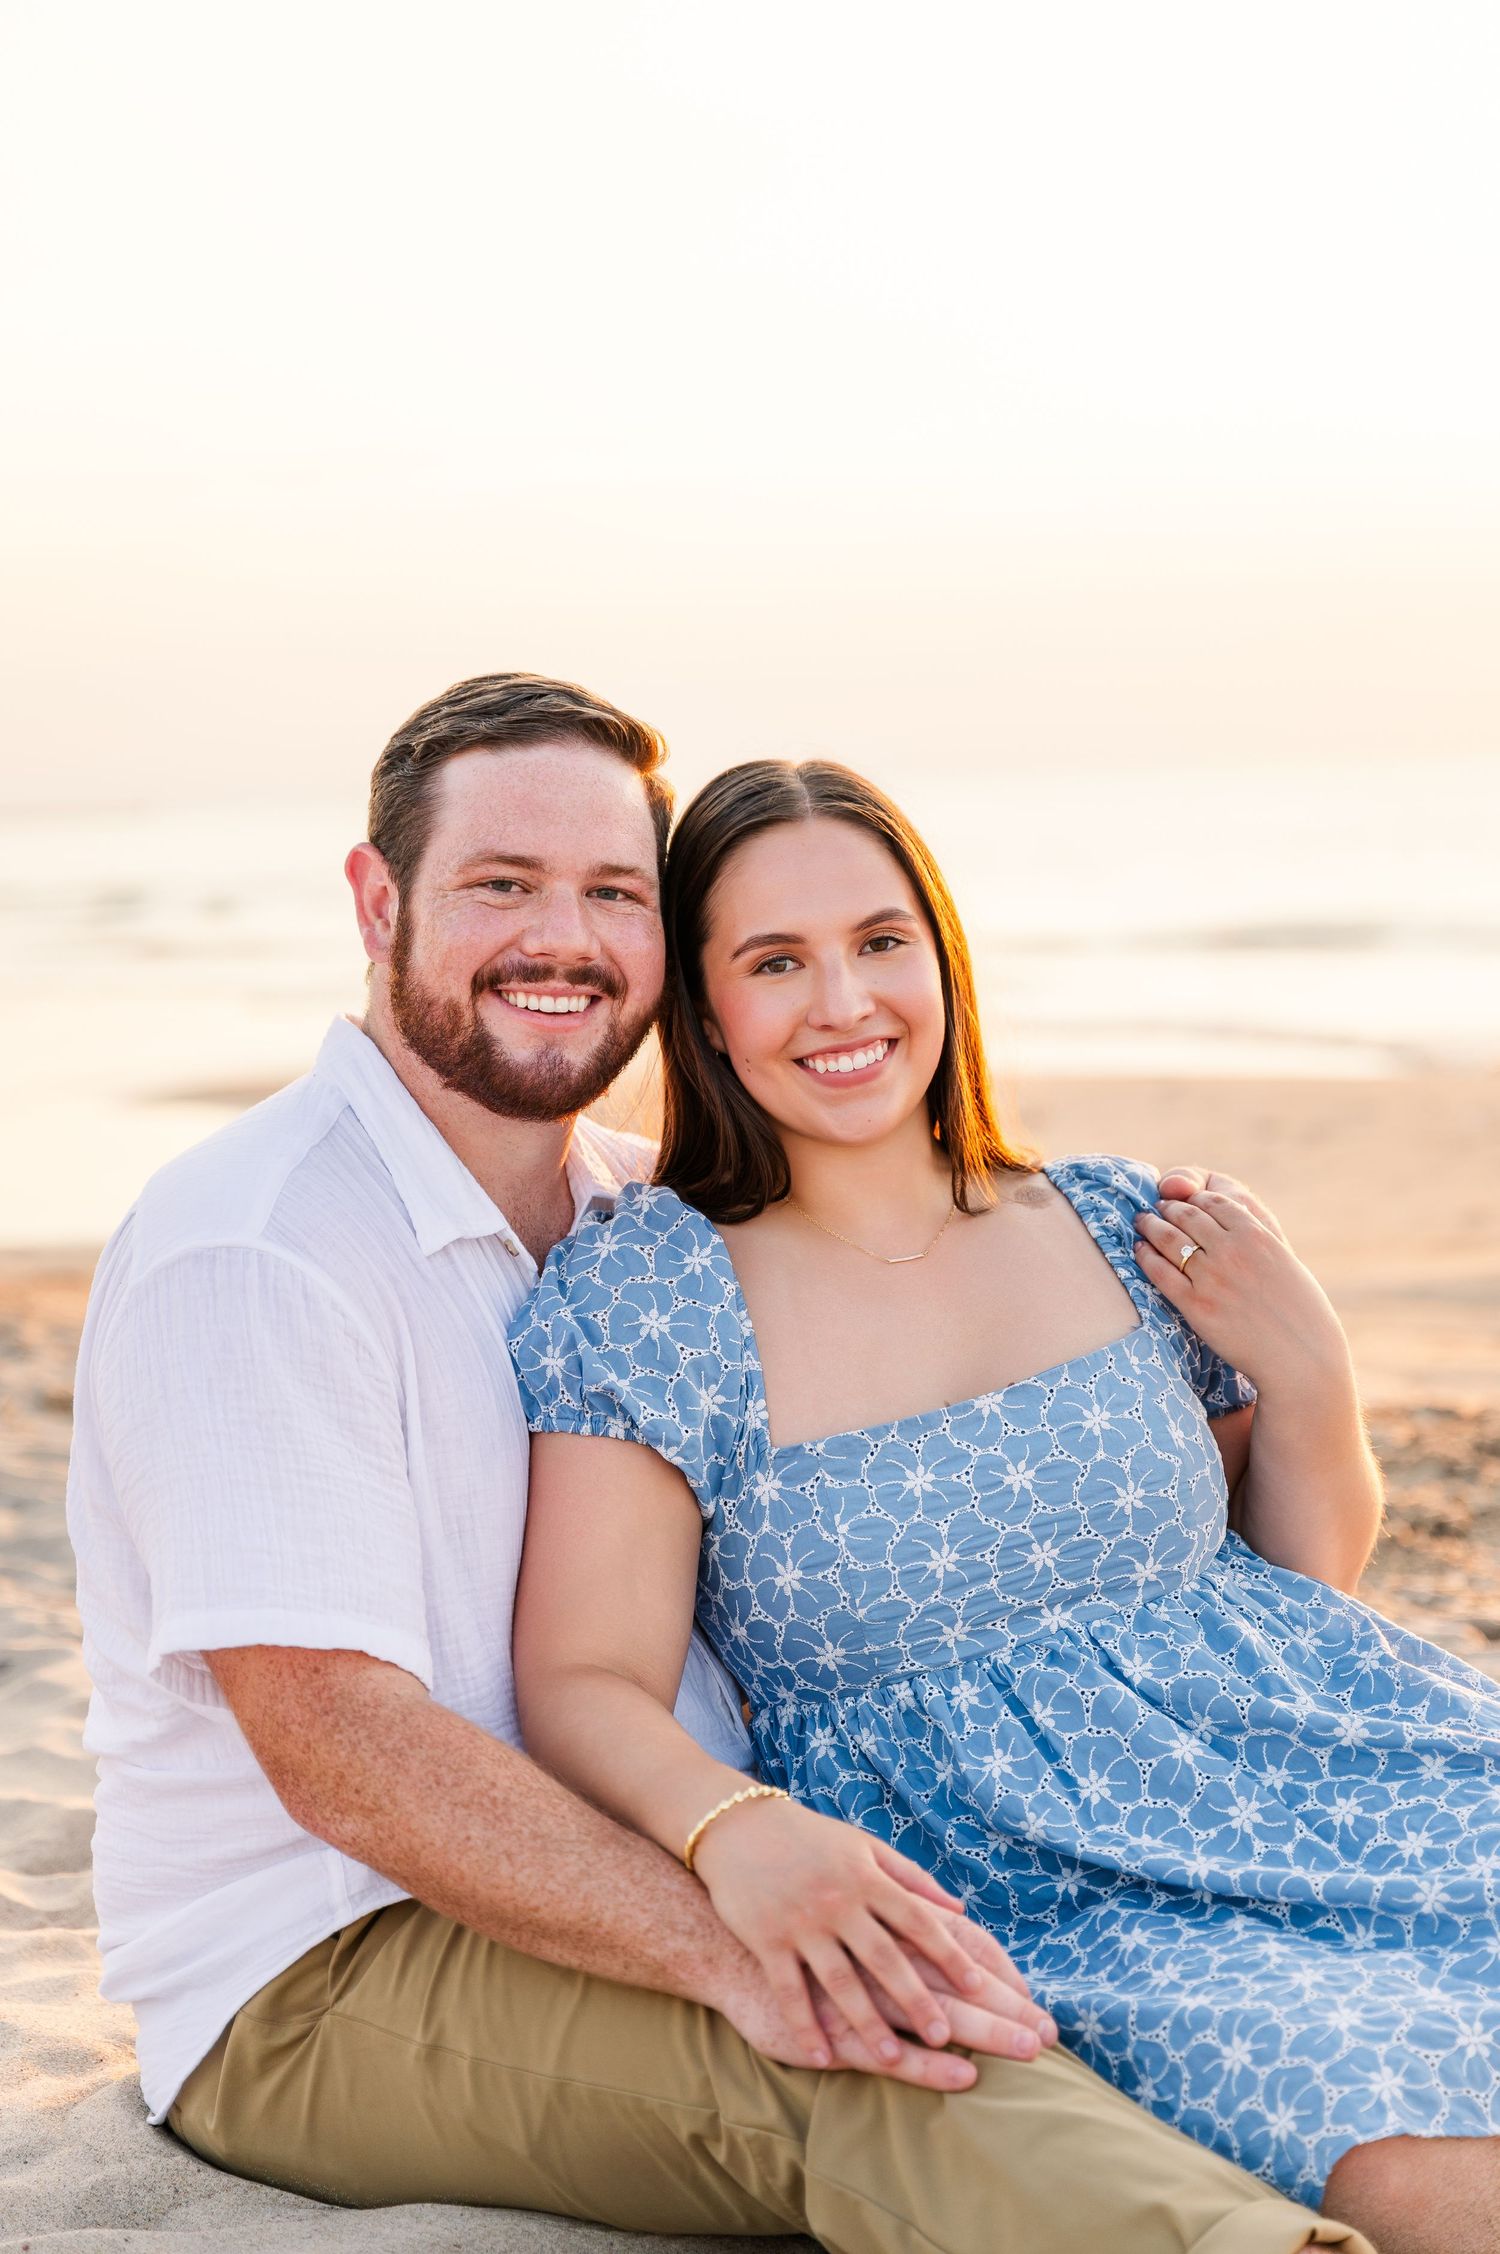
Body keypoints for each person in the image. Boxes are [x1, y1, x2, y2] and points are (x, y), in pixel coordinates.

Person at [64, 674, 1359, 2254]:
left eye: (614, 891)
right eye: (501, 885)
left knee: (987, 1999)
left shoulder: (632, 1219)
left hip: (643, 1856)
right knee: (862, 2052)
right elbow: (343, 1749)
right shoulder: (259, 1246)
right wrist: (726, 1920)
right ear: (376, 898)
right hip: (332, 1961)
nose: (565, 938)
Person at [509, 755, 1500, 2254]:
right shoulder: (649, 1295)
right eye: (777, 962)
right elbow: (582, 1677)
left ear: (942, 956)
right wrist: (733, 1831)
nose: (844, 1002)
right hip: (1057, 1898)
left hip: (1348, 1767)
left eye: (879, 940)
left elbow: (1294, 1580)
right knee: (1419, 2166)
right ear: (704, 1012)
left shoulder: (1115, 1220)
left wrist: (1312, 1372)